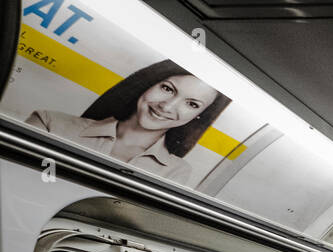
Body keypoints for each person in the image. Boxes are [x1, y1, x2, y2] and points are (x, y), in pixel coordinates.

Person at [26, 59, 231, 186]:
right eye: (167, 89)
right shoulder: (49, 123)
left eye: (192, 104)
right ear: (148, 84)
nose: (167, 106)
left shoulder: (175, 171)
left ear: (199, 116)